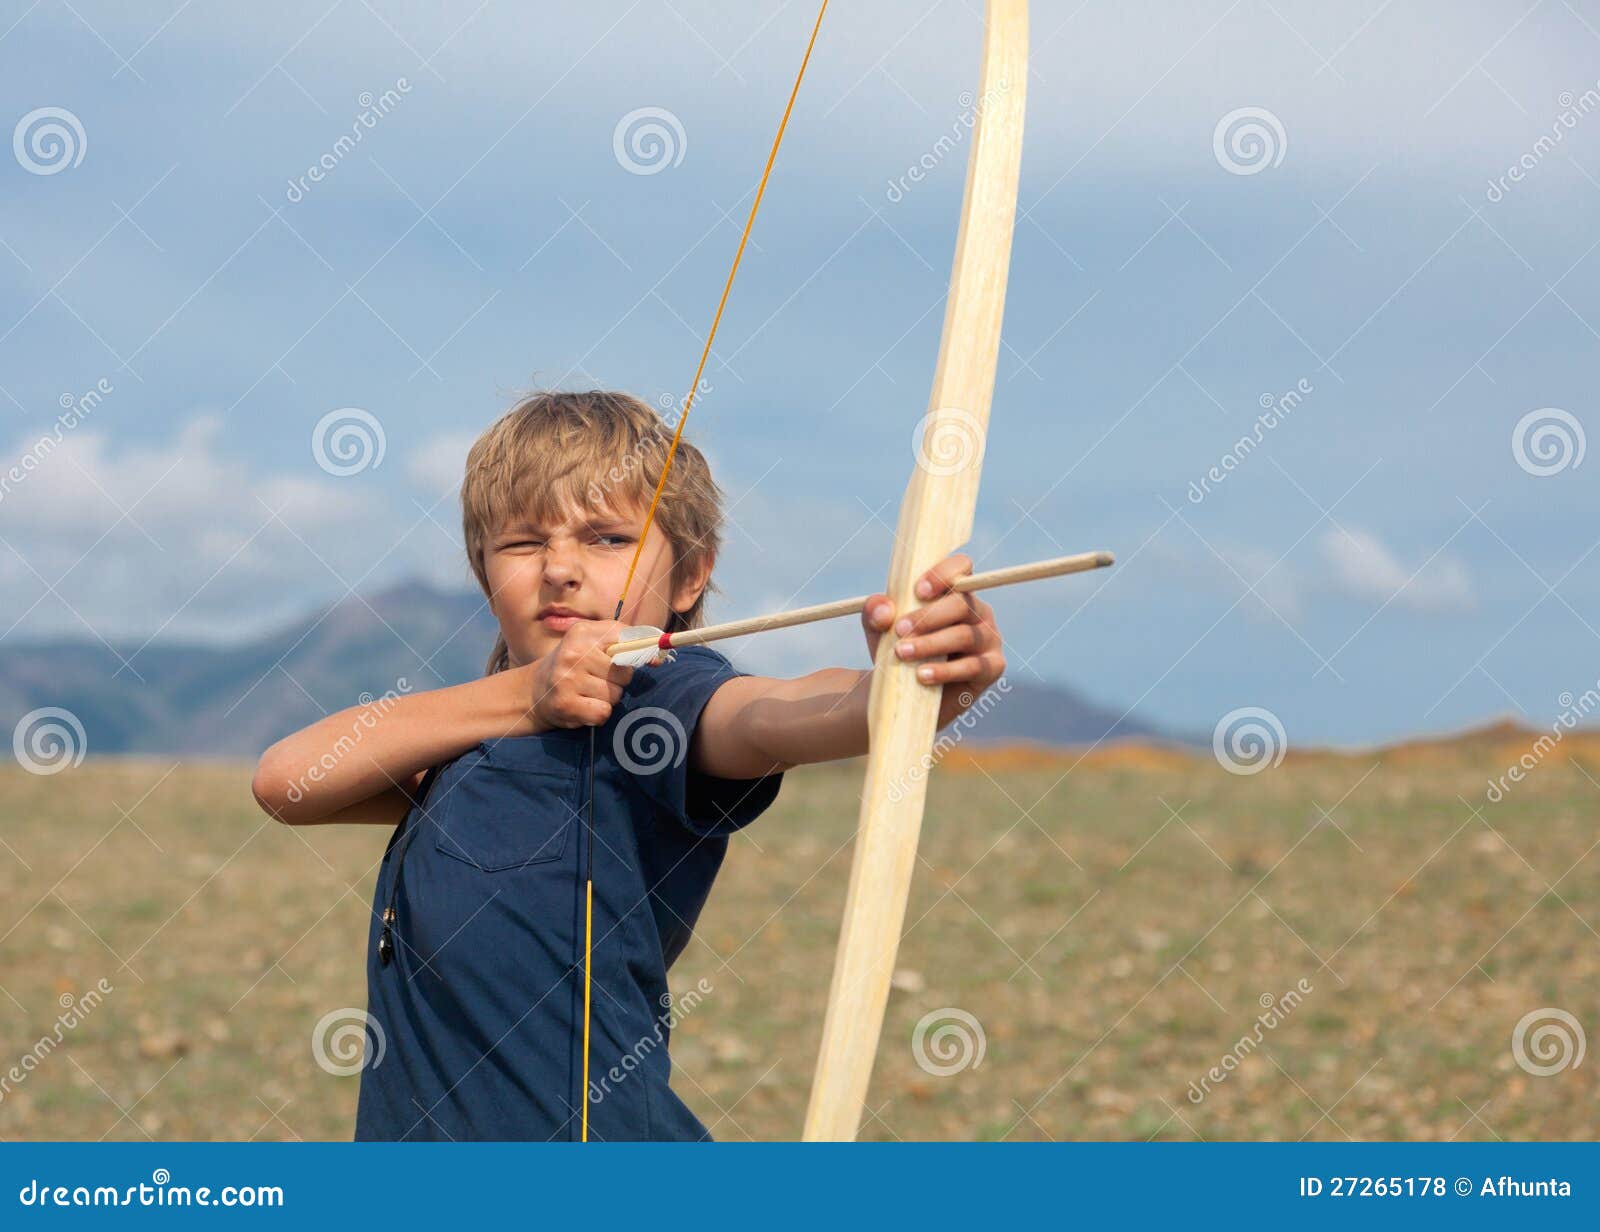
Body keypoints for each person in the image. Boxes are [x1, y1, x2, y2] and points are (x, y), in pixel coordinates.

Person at [251, 389, 1007, 1140]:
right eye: (522, 543)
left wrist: (898, 691)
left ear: (689, 578)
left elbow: (763, 715)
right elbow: (287, 780)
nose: (559, 569)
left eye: (609, 538)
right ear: (486, 576)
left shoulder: (654, 704)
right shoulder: (472, 742)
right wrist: (527, 697)